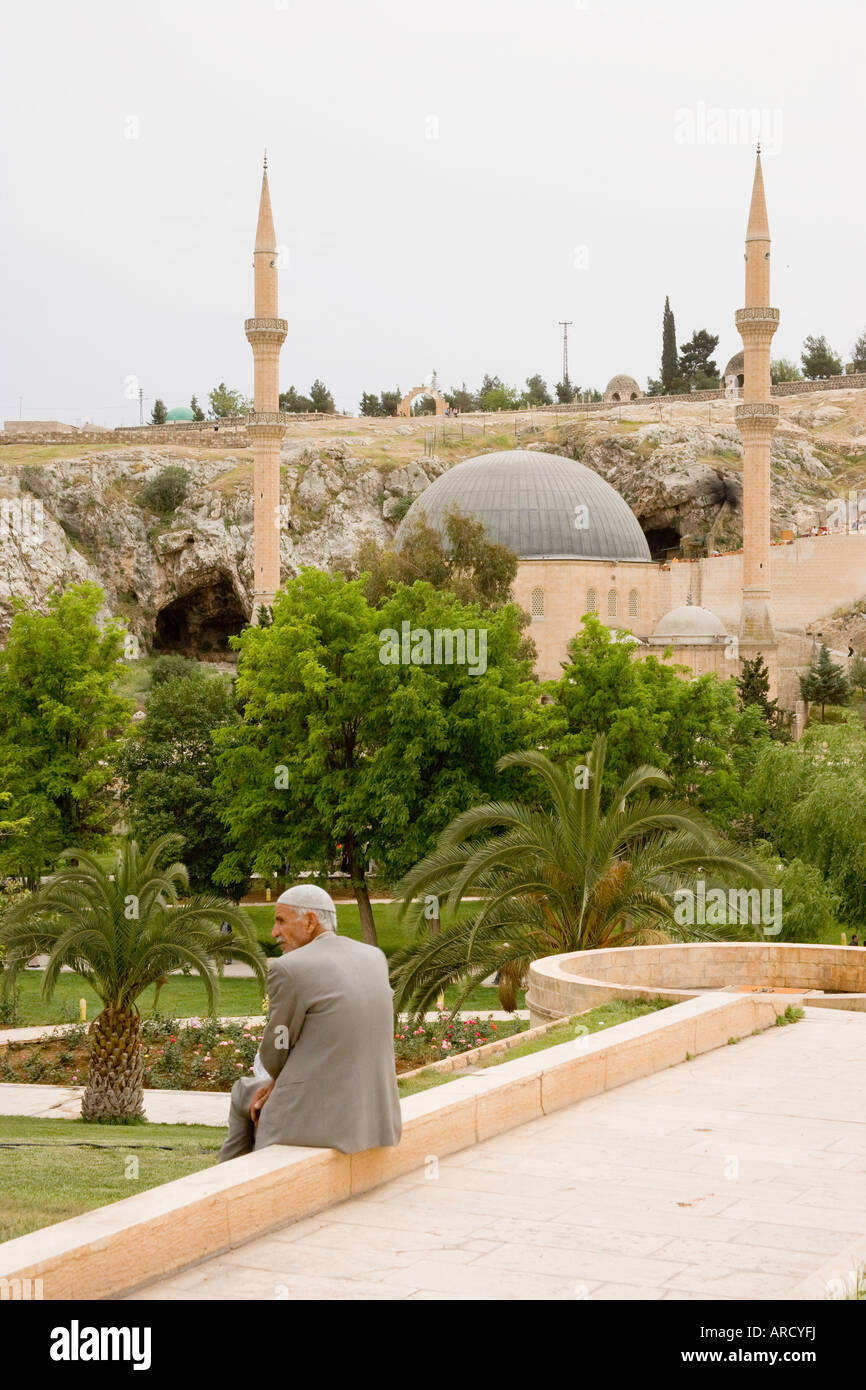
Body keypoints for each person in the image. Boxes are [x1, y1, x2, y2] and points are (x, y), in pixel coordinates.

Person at [219, 883, 402, 1161]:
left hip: (320, 1119)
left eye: (280, 921)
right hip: (377, 1117)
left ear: (310, 921)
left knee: (244, 1092)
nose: (274, 933)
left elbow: (274, 1053)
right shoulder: (374, 957)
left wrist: (275, 1081)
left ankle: (228, 1182)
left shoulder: (290, 968)